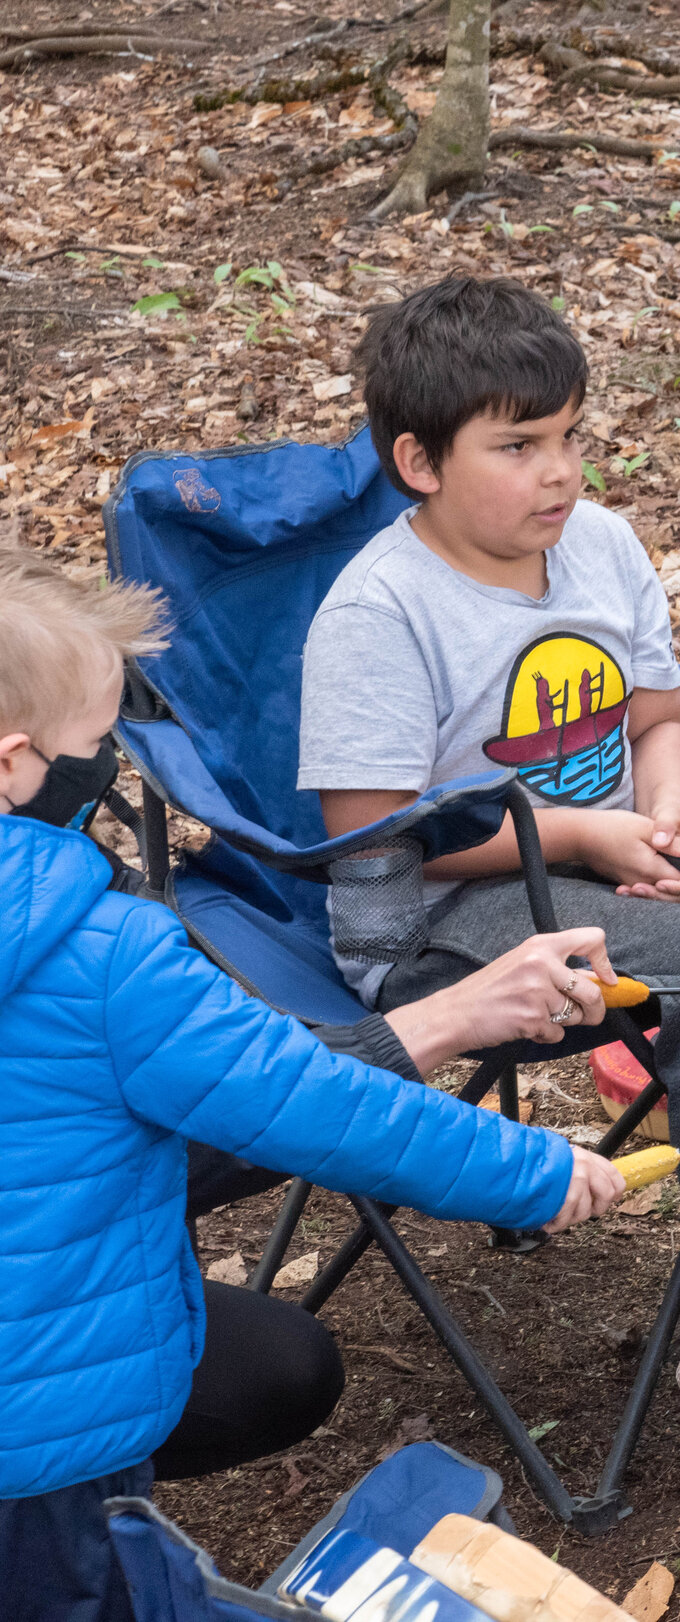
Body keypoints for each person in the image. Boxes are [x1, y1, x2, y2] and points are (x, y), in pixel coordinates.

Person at [298, 276, 680, 1450]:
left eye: (572, 435)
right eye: (519, 444)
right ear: (419, 461)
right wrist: (585, 835)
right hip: (444, 912)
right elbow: (373, 836)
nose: (560, 471)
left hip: (601, 850)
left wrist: (672, 820)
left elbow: (659, 722)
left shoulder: (600, 546)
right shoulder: (380, 612)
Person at [0, 551, 625, 1622]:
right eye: (96, 742)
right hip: (46, 1438)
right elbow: (321, 1108)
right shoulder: (104, 954)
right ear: (16, 764)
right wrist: (533, 1168)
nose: (105, 765)